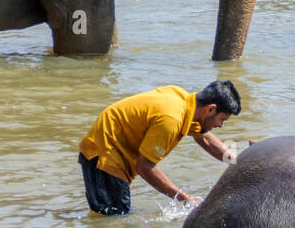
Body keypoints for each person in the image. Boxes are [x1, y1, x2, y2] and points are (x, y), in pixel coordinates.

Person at [78, 80, 241, 215]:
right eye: (222, 119)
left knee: (118, 214)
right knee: (111, 221)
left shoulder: (183, 100)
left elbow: (203, 138)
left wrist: (238, 163)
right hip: (104, 155)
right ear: (210, 109)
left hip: (114, 150)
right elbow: (145, 166)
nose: (220, 125)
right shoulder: (171, 120)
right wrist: (183, 198)